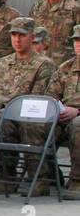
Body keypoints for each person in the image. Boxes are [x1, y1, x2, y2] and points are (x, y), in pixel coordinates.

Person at [0, 18, 55, 191]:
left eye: (22, 35)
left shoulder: (43, 65)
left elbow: (36, 100)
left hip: (27, 116)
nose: (17, 39)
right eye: (14, 35)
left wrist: (1, 113)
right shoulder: (2, 63)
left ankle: (37, 177)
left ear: (32, 37)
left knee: (10, 123)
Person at [44, 25, 80, 200]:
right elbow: (51, 95)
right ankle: (46, 176)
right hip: (64, 115)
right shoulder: (66, 68)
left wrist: (78, 111)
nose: (78, 44)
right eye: (76, 40)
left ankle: (77, 180)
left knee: (77, 125)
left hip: (77, 118)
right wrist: (56, 109)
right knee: (39, 125)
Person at [30, 0, 80, 66]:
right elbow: (31, 34)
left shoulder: (74, 8)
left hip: (64, 66)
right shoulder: (38, 7)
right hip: (40, 65)